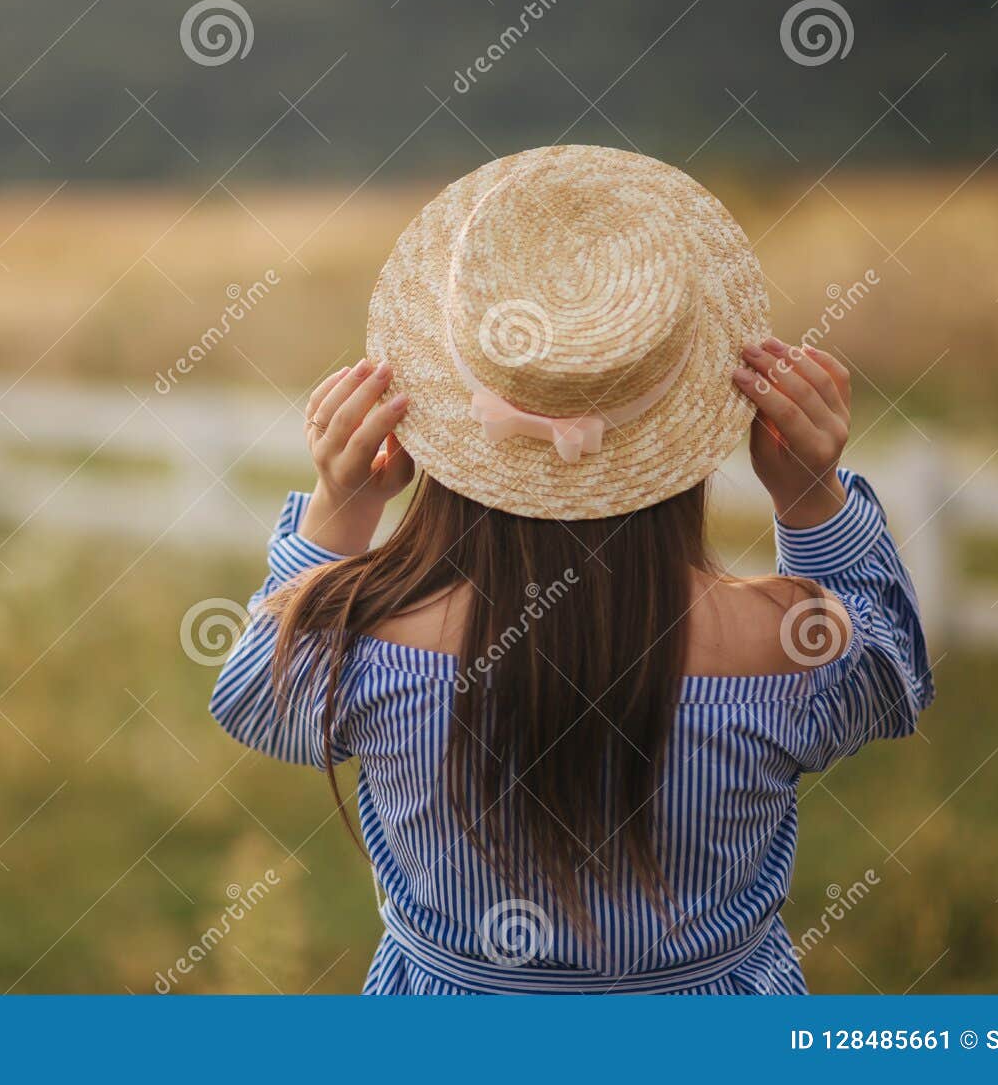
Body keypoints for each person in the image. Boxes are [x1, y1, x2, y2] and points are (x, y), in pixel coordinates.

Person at [210, 146, 933, 994]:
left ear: (441, 424)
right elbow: (891, 677)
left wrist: (340, 510)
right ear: (693, 425)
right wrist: (811, 499)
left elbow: (257, 699)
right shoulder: (780, 642)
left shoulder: (365, 639)